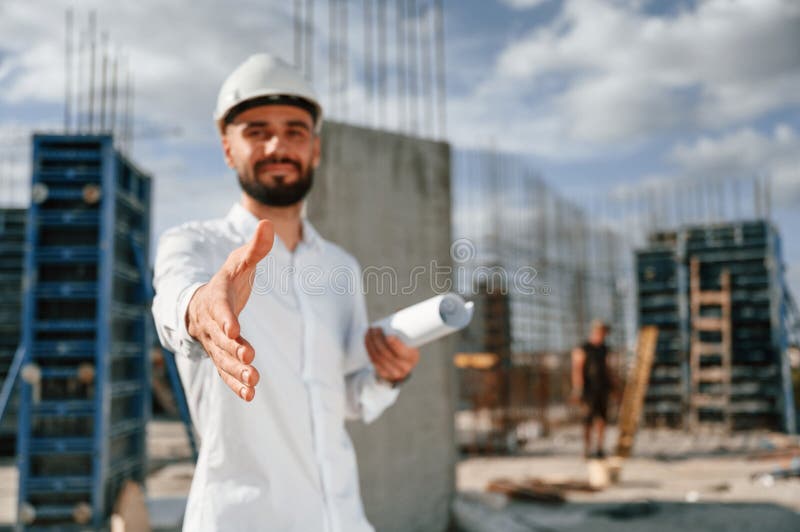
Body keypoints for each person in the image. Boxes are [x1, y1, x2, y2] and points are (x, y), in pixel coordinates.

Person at [152, 53, 421, 532]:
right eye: (256, 131)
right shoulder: (194, 245)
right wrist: (200, 310)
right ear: (227, 148)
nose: (278, 145)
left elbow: (349, 401)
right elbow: (175, 299)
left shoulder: (341, 268)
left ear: (315, 149)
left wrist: (387, 376)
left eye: (295, 131)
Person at [570, 319, 613, 459]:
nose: (604, 335)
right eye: (602, 332)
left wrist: (614, 386)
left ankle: (600, 448)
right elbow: (577, 370)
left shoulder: (604, 349)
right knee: (587, 419)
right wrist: (578, 389)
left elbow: (607, 369)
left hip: (602, 388)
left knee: (602, 419)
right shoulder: (583, 348)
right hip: (588, 390)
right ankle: (587, 449)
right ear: (596, 331)